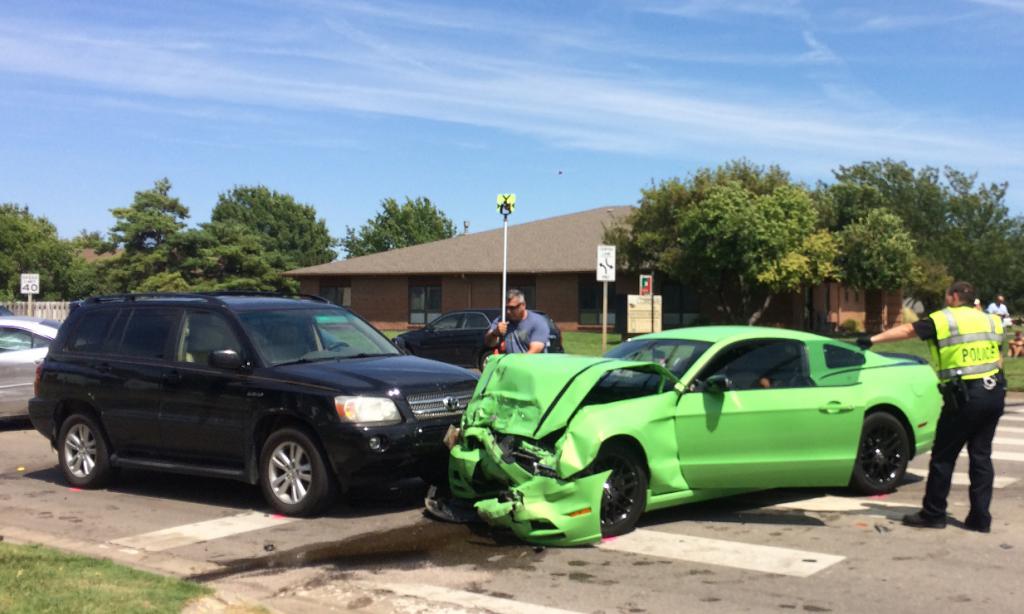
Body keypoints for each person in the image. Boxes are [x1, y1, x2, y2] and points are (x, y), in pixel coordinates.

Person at [858, 281, 1005, 533]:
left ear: (955, 296)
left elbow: (907, 330)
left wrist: (871, 340)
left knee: (943, 457)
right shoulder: (991, 320)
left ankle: (934, 513)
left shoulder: (944, 319)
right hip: (994, 391)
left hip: (966, 395)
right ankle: (980, 518)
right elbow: (998, 356)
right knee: (981, 457)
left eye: (947, 294)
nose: (945, 297)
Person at [484, 289, 550, 355]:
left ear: (523, 305)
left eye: (512, 308)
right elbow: (488, 343)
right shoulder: (502, 320)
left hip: (530, 363)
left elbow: (533, 352)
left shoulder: (538, 321)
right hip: (509, 364)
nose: (508, 311)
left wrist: (517, 363)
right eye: (506, 308)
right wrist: (494, 333)